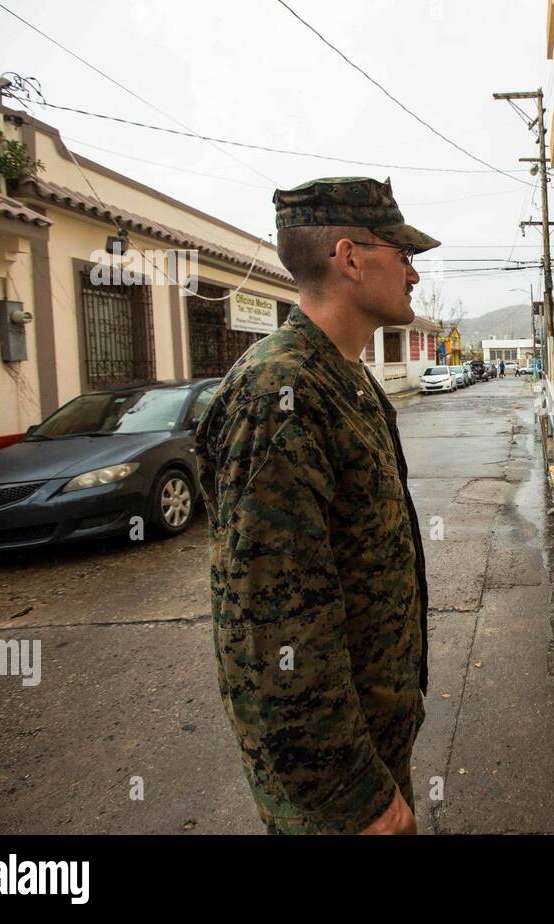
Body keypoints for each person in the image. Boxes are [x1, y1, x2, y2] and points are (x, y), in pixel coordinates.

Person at [195, 176, 438, 834]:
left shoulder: (343, 378)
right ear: (350, 257)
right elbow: (272, 631)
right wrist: (355, 797)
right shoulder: (280, 391)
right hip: (334, 789)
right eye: (403, 253)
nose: (415, 273)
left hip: (372, 744)